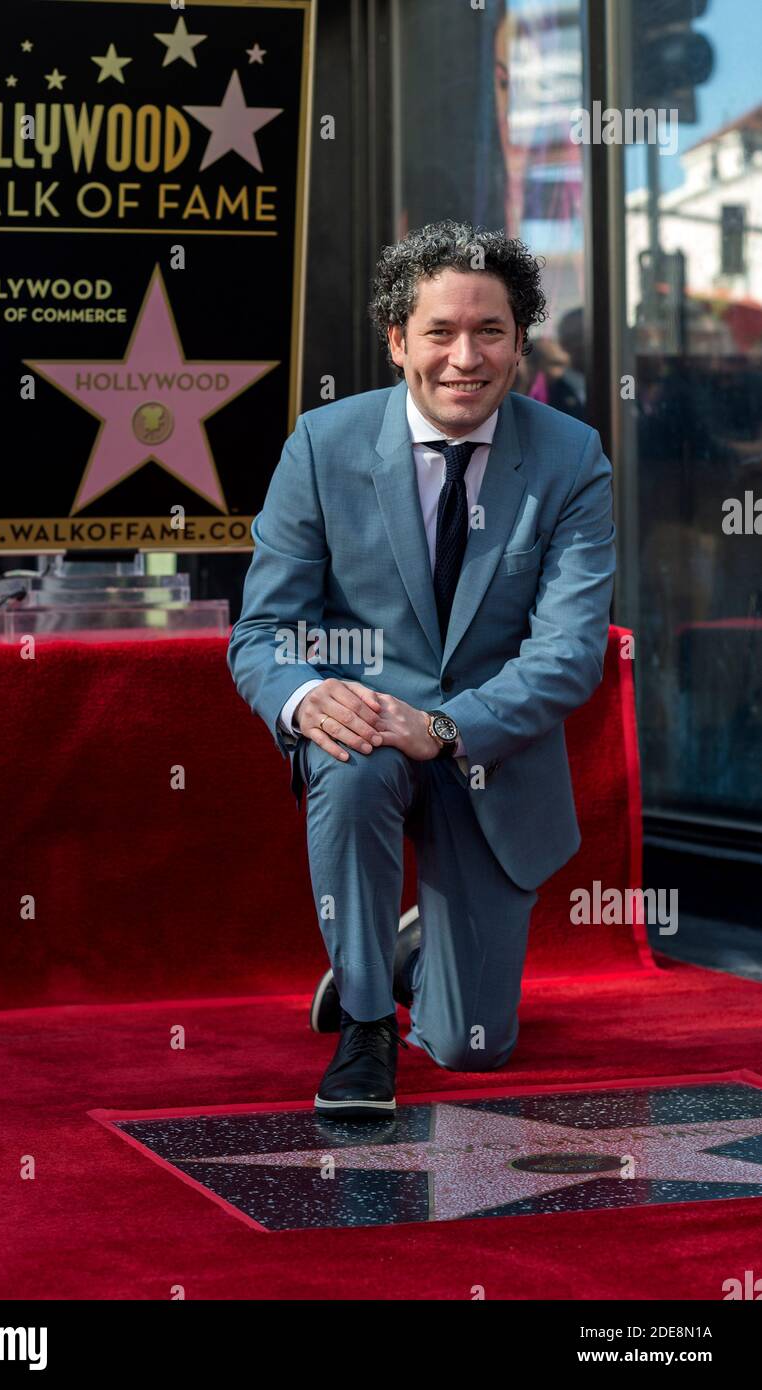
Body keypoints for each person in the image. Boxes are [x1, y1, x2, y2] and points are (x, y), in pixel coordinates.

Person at [227, 221, 616, 1119]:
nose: (464, 357)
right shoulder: (322, 446)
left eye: (490, 332)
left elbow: (567, 654)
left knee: (473, 1049)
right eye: (440, 332)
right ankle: (364, 1026)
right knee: (351, 762)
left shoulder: (570, 459)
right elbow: (264, 629)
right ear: (397, 339)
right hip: (369, 731)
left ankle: (404, 961)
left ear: (521, 344)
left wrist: (442, 727)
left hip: (491, 750)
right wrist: (304, 693)